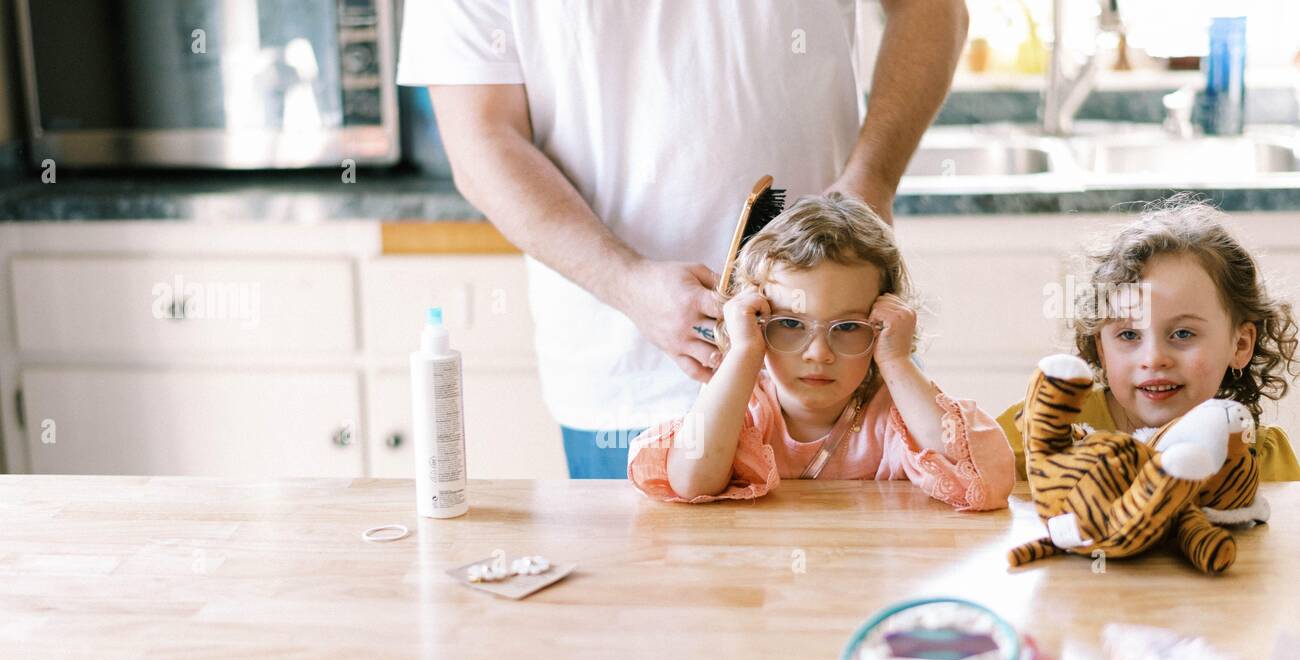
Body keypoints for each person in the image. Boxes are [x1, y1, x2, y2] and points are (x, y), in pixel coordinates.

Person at [397, 0, 970, 476]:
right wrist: (625, 283)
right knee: (650, 604)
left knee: (845, 595)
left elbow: (931, 8)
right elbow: (481, 140)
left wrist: (872, 177)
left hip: (834, 359)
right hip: (627, 373)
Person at [628, 193, 1014, 509]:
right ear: (756, 320)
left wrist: (897, 361)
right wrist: (743, 352)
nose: (818, 353)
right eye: (791, 324)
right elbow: (691, 482)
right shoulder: (746, 408)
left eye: (847, 327)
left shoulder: (895, 415)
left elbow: (985, 481)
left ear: (883, 327)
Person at [998, 197, 1300, 481]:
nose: (1153, 358)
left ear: (1241, 344)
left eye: (1183, 334)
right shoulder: (1043, 427)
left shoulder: (1258, 456)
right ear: (1102, 349)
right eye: (1129, 334)